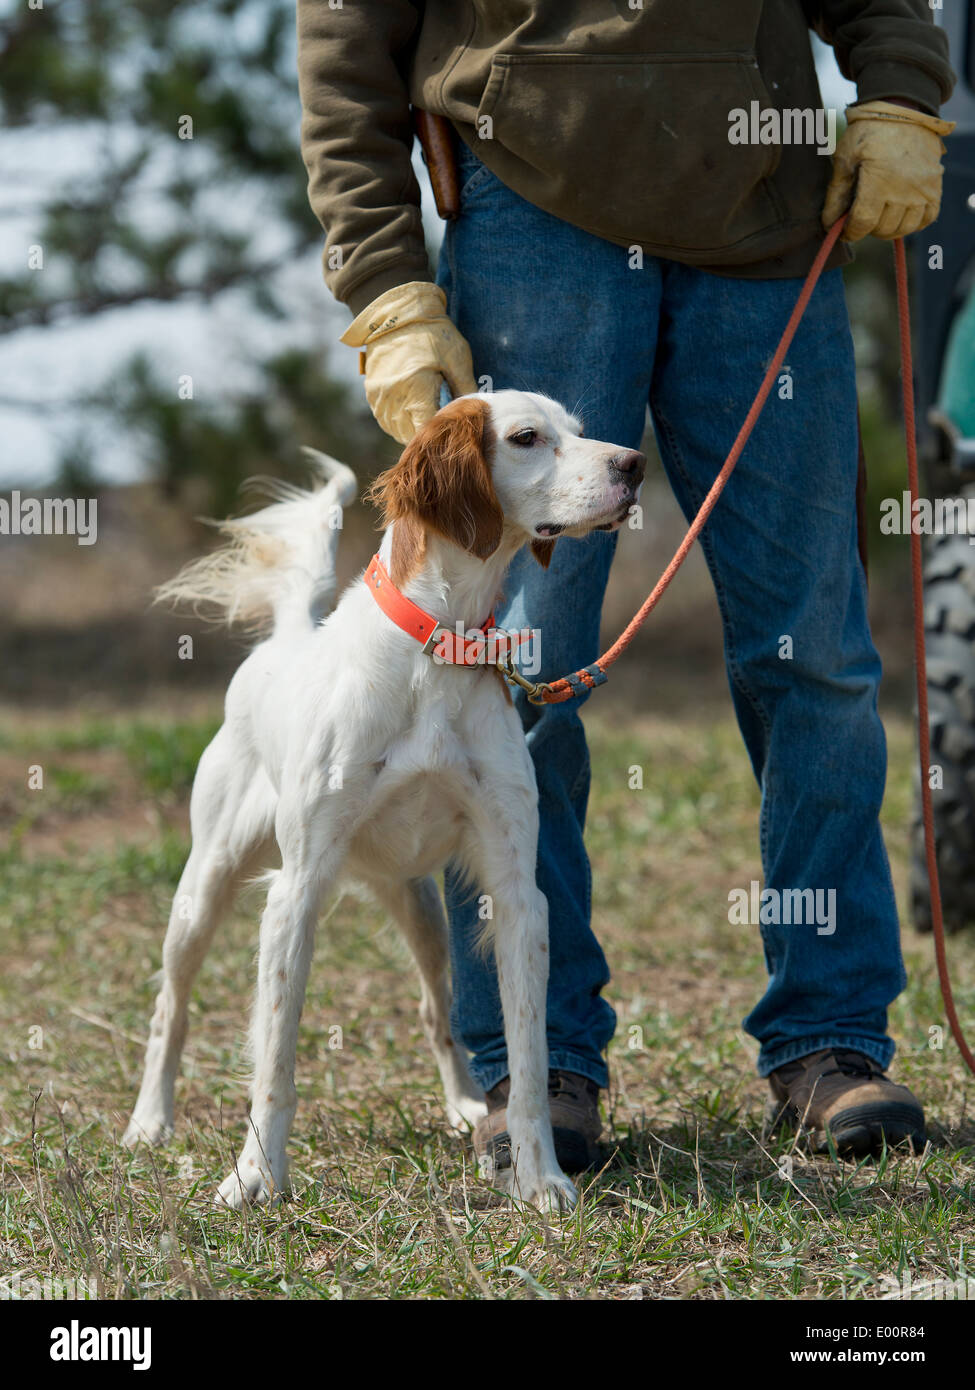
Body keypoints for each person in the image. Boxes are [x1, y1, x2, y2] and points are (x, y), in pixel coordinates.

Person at [296, 2, 956, 1168]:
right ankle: (535, 1060)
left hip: (759, 222)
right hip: (529, 214)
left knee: (818, 657)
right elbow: (346, 49)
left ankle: (832, 1043)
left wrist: (899, 86)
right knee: (520, 666)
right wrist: (386, 287)